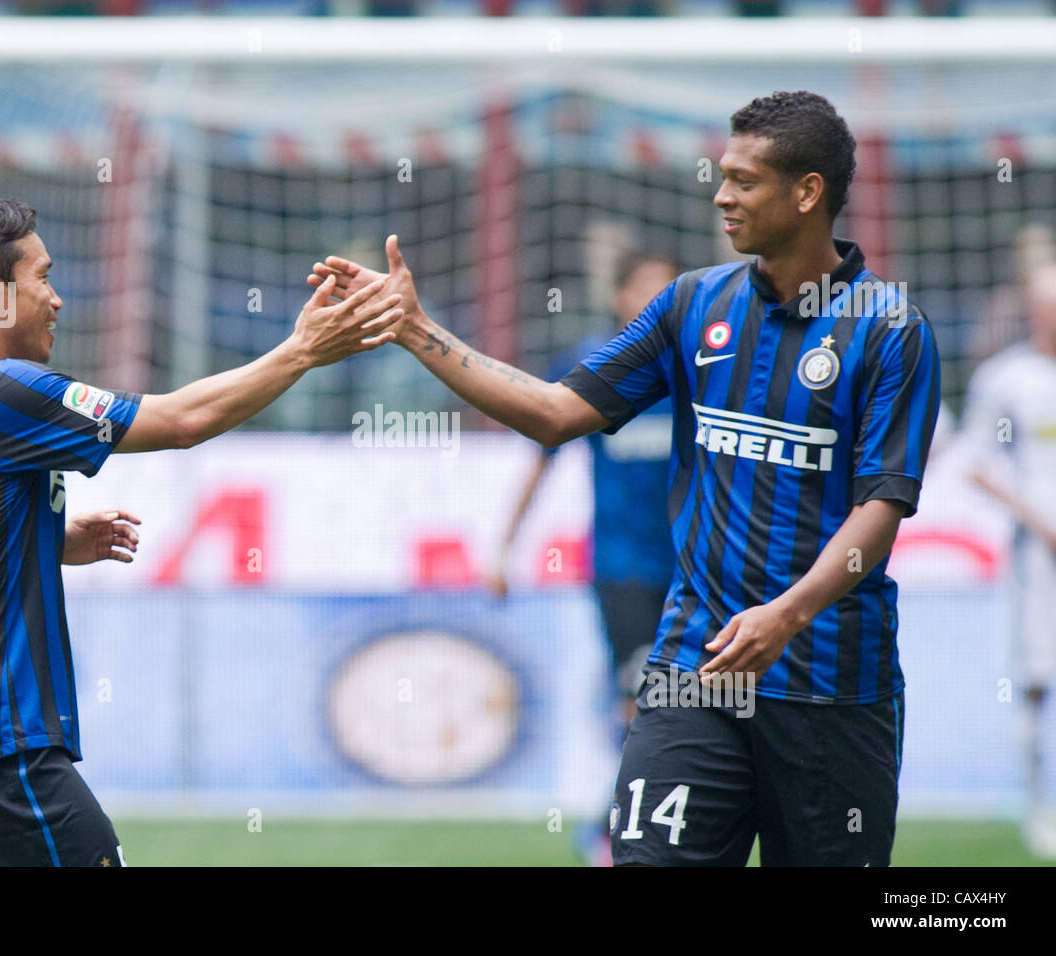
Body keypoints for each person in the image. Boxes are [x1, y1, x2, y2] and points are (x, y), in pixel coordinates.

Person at [311, 90, 940, 866]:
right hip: (692, 672)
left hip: (832, 687)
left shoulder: (890, 330)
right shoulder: (692, 304)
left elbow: (880, 509)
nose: (721, 193)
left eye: (744, 180)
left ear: (807, 192)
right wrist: (415, 329)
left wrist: (785, 615)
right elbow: (552, 411)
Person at [0, 193, 401, 866]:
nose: (57, 298)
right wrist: (302, 351)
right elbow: (180, 422)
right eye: (42, 277)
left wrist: (45, 537)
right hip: (5, 749)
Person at [490, 250, 678, 733]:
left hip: (696, 563)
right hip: (624, 564)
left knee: (701, 693)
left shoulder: (705, 368)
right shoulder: (592, 363)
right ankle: (635, 801)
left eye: (668, 287)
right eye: (644, 286)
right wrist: (505, 549)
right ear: (619, 297)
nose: (655, 298)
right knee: (637, 691)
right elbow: (541, 458)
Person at [962, 260, 1056, 859]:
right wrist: (1037, 518)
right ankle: (1038, 804)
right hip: (1038, 556)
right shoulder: (1006, 378)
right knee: (1037, 678)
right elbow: (979, 463)